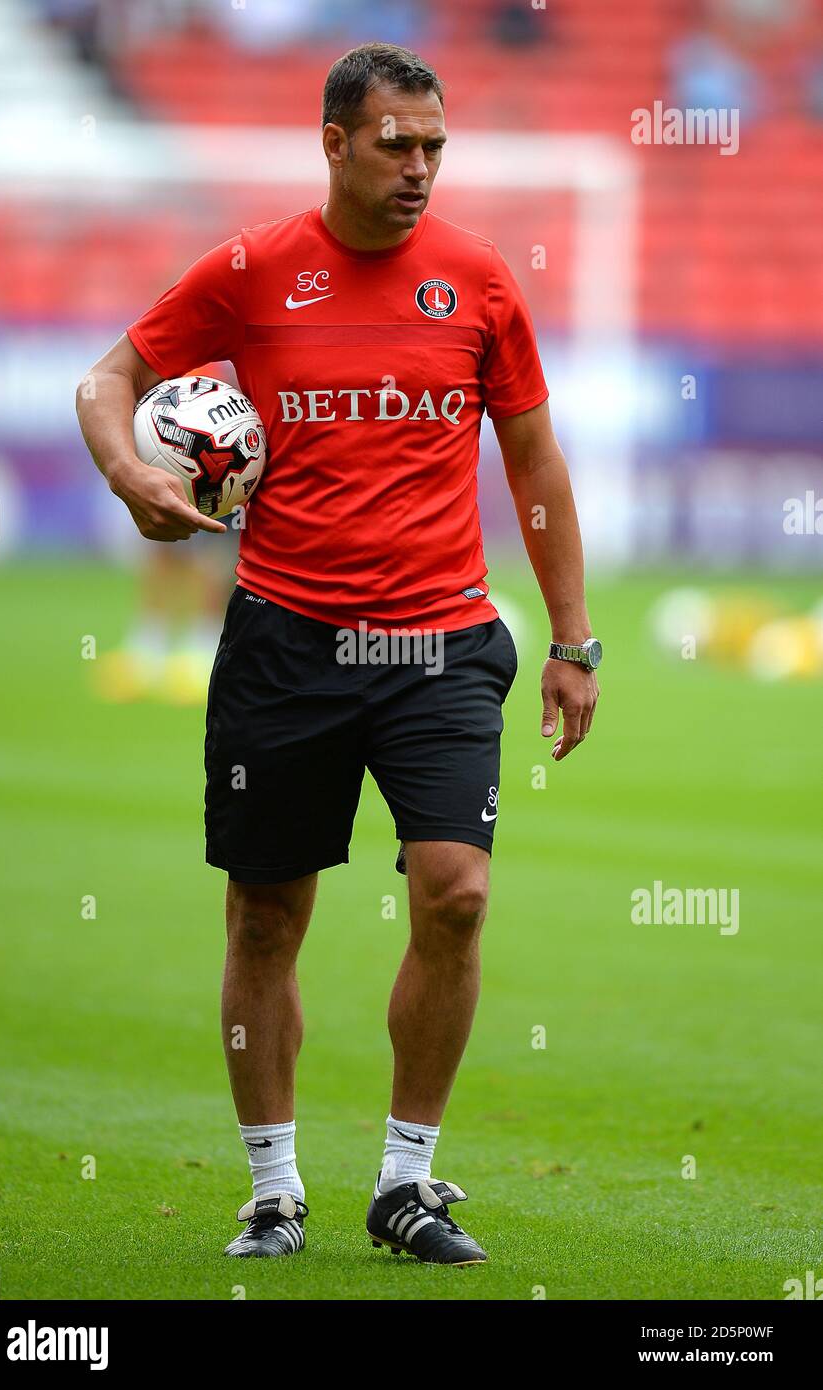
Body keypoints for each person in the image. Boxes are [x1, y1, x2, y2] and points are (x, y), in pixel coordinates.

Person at [76, 40, 600, 1266]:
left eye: (434, 146)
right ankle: (273, 1189)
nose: (419, 167)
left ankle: (406, 1182)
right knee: (265, 917)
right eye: (395, 144)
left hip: (438, 643)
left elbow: (531, 462)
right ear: (334, 142)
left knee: (456, 896)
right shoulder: (254, 272)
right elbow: (108, 380)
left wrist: (572, 634)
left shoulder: (475, 282)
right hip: (284, 640)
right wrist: (127, 471)